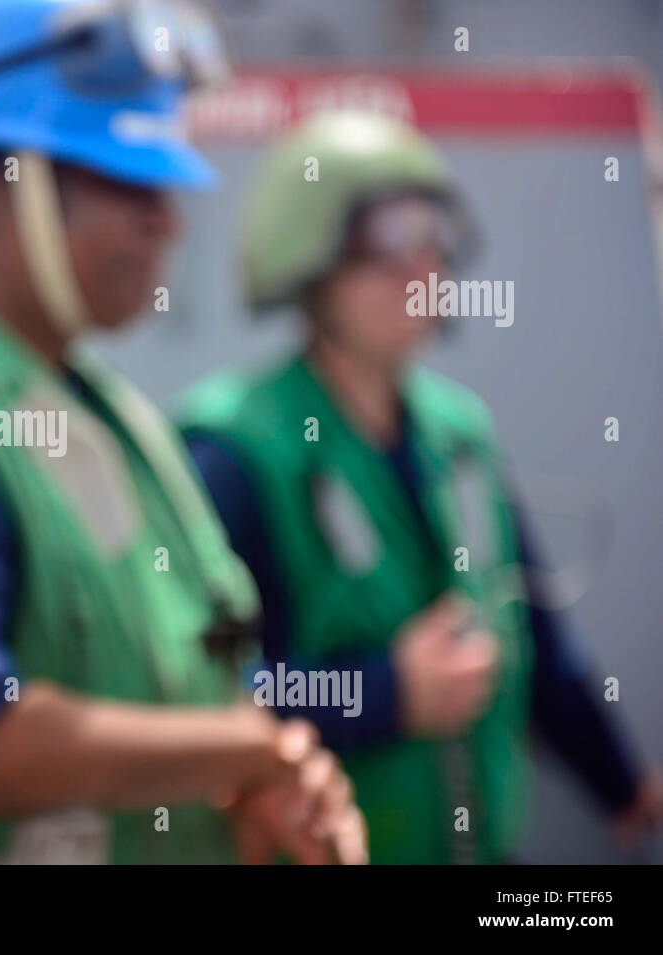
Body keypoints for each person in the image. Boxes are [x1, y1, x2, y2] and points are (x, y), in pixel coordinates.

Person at [0, 0, 367, 865]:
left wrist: (248, 791)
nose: (168, 218)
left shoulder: (104, 408)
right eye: (126, 180)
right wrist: (248, 751)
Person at [179, 109, 663, 864]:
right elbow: (200, 695)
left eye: (435, 236)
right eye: (389, 241)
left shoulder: (457, 433)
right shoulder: (236, 447)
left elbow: (535, 635)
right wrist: (384, 692)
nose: (425, 268)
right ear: (311, 264)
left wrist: (626, 786)